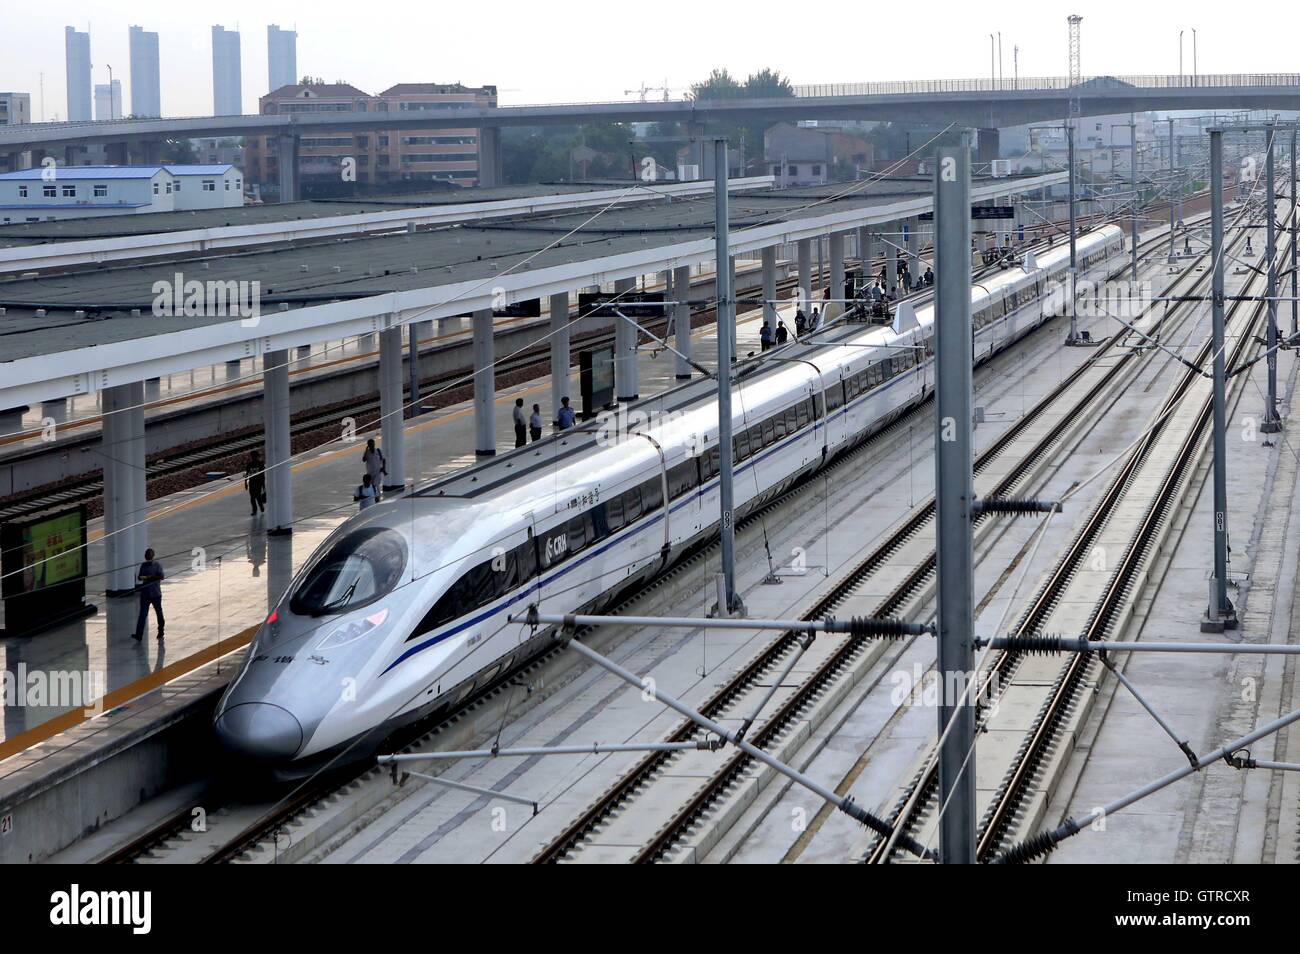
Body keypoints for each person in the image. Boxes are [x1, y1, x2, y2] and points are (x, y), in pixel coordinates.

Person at [131, 548, 165, 642]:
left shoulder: (150, 565)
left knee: (143, 614)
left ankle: (139, 634)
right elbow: (161, 576)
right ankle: (160, 631)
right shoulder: (156, 565)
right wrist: (146, 577)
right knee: (157, 613)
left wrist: (149, 577)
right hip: (153, 593)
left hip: (148, 593)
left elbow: (161, 577)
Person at [244, 450, 266, 517]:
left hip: (258, 482)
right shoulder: (249, 464)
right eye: (252, 456)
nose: (253, 458)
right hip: (252, 483)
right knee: (252, 497)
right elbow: (247, 474)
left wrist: (263, 485)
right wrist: (246, 482)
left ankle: (260, 506)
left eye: (254, 456)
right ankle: (255, 510)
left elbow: (262, 474)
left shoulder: (260, 463)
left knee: (258, 496)